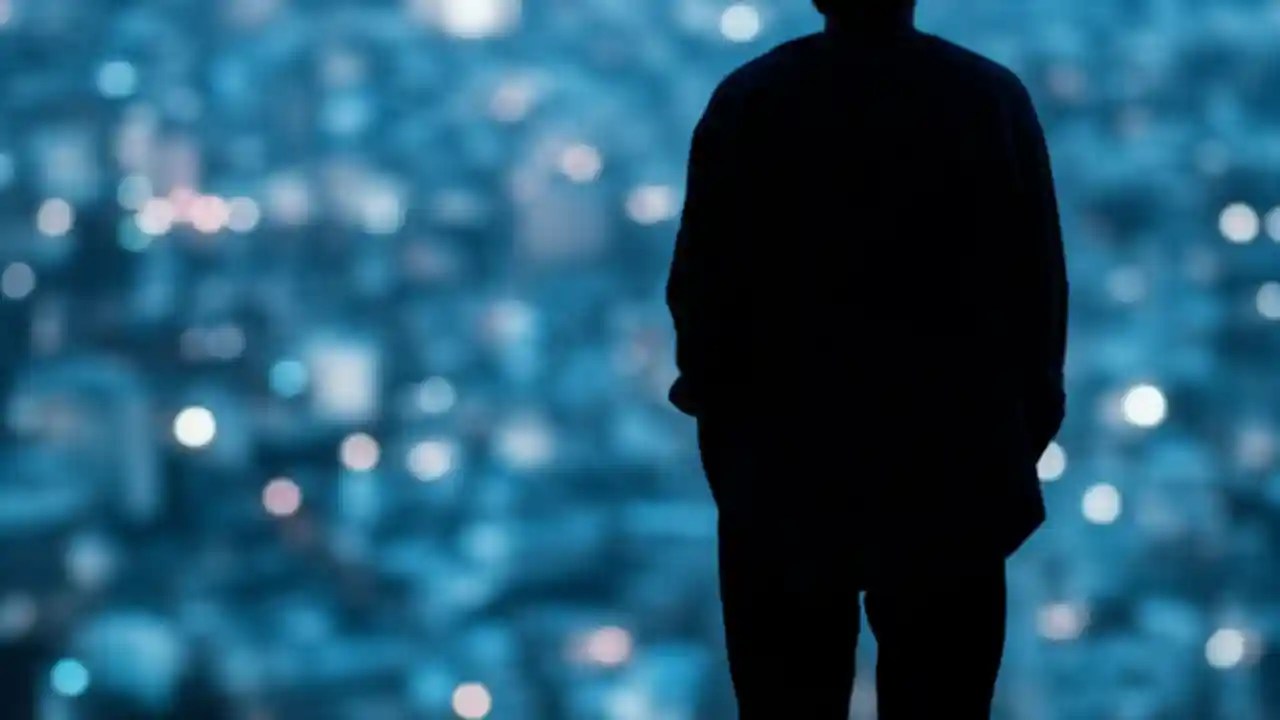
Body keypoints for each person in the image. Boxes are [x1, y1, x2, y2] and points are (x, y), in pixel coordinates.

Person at [664, 0, 1069, 717]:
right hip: (951, 479)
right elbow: (1037, 302)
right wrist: (1003, 448)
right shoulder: (987, 100)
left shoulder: (752, 101)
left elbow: (701, 300)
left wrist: (740, 451)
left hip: (785, 481)